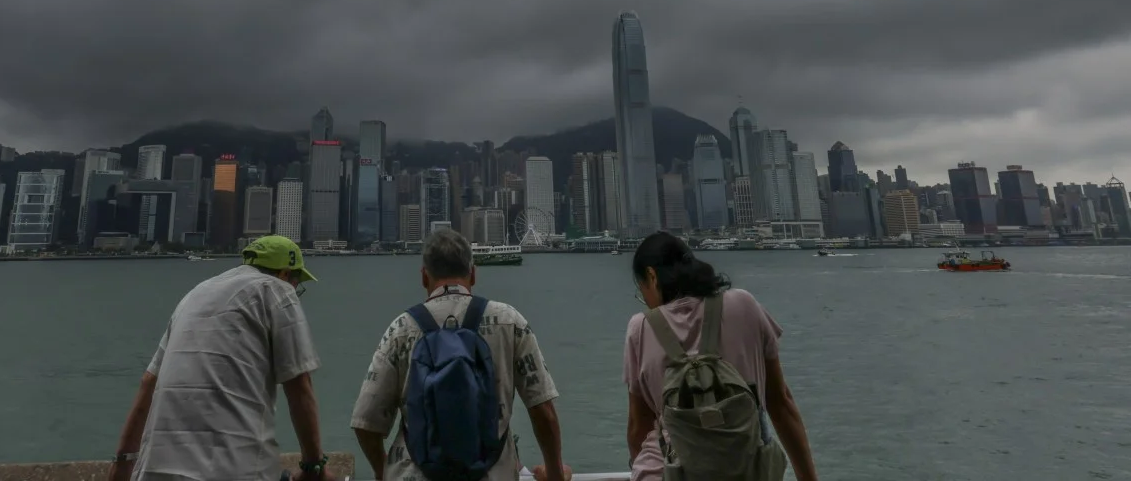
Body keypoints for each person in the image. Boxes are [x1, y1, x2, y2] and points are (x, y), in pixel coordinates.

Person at [350, 228, 570, 481]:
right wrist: (554, 474)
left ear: (424, 277)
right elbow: (543, 412)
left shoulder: (401, 328)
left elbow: (365, 423)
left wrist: (383, 472)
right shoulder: (509, 321)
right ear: (473, 274)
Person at [106, 235, 328, 481]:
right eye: (297, 283)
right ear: (285, 275)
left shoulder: (195, 294)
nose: (295, 291)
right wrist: (313, 466)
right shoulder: (277, 290)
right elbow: (299, 385)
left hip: (153, 470)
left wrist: (123, 462)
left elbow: (149, 382)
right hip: (231, 468)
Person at [624, 232, 818, 481]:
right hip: (747, 470)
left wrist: (637, 466)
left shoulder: (640, 328)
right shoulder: (744, 304)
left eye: (643, 291)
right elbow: (780, 403)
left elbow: (638, 427)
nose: (647, 303)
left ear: (651, 276)